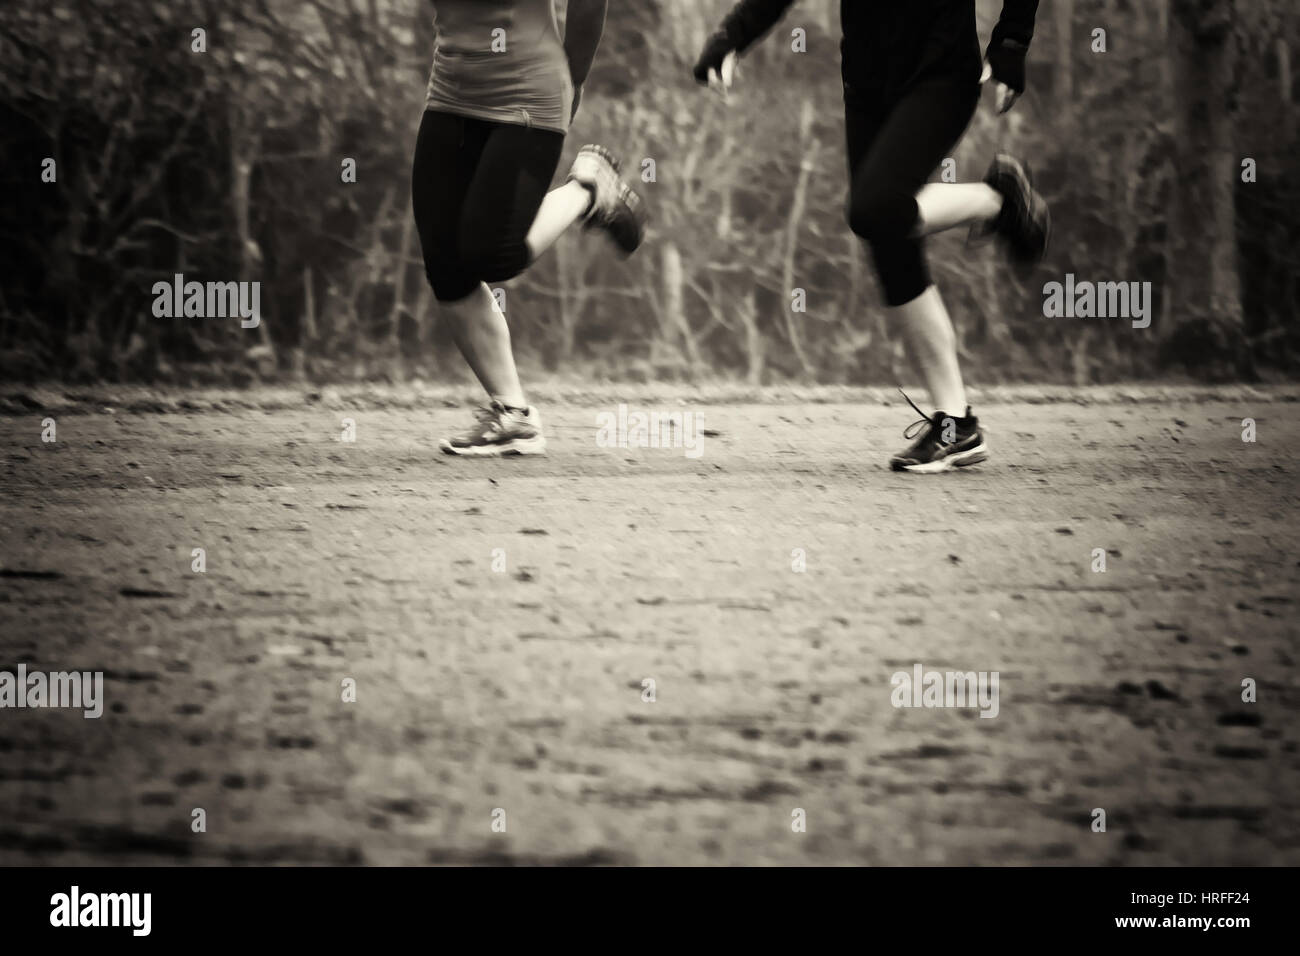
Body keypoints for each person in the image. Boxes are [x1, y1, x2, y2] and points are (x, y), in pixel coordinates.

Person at [694, 1, 1049, 473]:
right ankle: (955, 426)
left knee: (874, 209)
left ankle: (998, 202)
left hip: (940, 73)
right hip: (867, 81)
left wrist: (1011, 42)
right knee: (888, 243)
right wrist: (732, 35)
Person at [413, 0, 647, 456]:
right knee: (445, 264)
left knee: (490, 253)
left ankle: (587, 190)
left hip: (527, 94)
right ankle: (513, 416)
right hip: (449, 93)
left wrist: (575, 77)